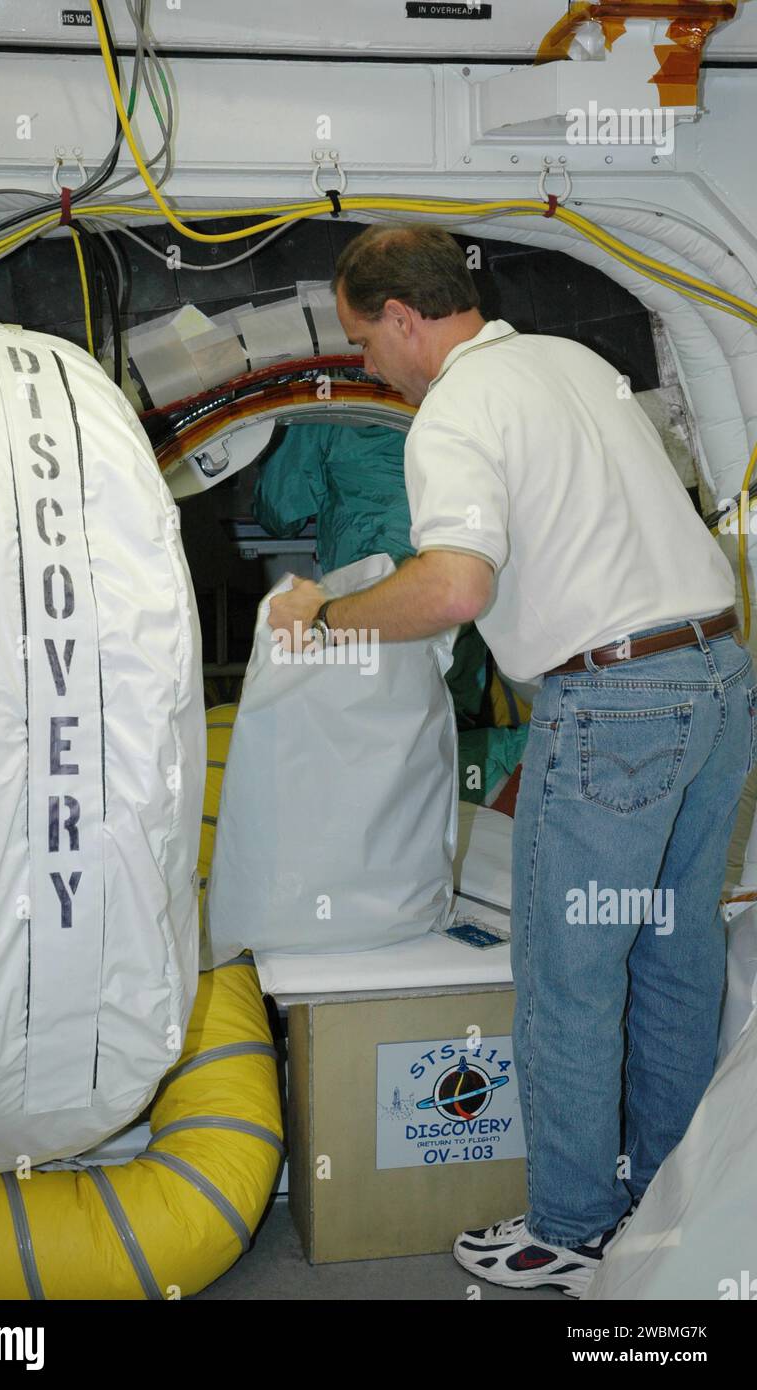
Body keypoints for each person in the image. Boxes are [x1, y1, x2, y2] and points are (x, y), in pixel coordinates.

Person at [266, 223, 753, 1297]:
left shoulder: (453, 411)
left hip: (618, 698)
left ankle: (573, 1229)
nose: (362, 364)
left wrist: (328, 612)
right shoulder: (575, 363)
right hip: (720, 676)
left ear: (404, 319)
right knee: (672, 957)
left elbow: (456, 588)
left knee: (571, 976)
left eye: (361, 339)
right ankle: (664, 1206)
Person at [254, 424, 529, 799]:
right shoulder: (462, 411)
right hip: (458, 601)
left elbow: (278, 509)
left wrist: (282, 439)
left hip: (369, 608)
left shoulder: (332, 411)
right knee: (445, 725)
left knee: (375, 735)